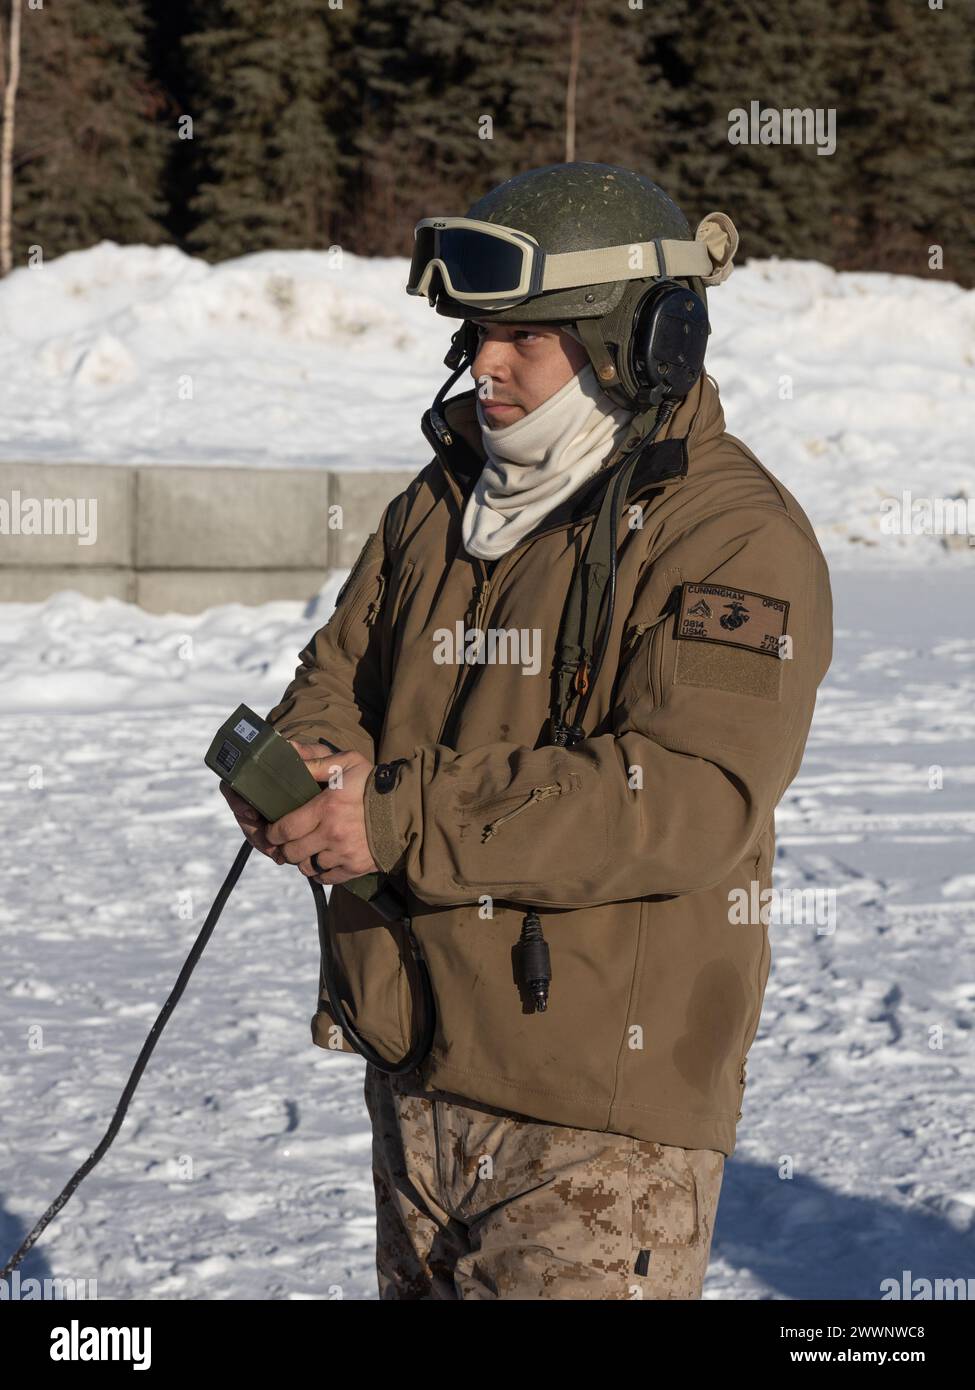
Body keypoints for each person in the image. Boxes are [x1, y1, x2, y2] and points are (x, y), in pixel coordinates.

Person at [221, 161, 834, 1300]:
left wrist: (394, 816)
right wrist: (304, 773)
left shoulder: (732, 539)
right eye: (476, 334)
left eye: (525, 340)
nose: (483, 365)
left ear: (640, 344)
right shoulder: (442, 500)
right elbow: (334, 676)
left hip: (598, 1124)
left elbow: (687, 793)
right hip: (416, 1071)